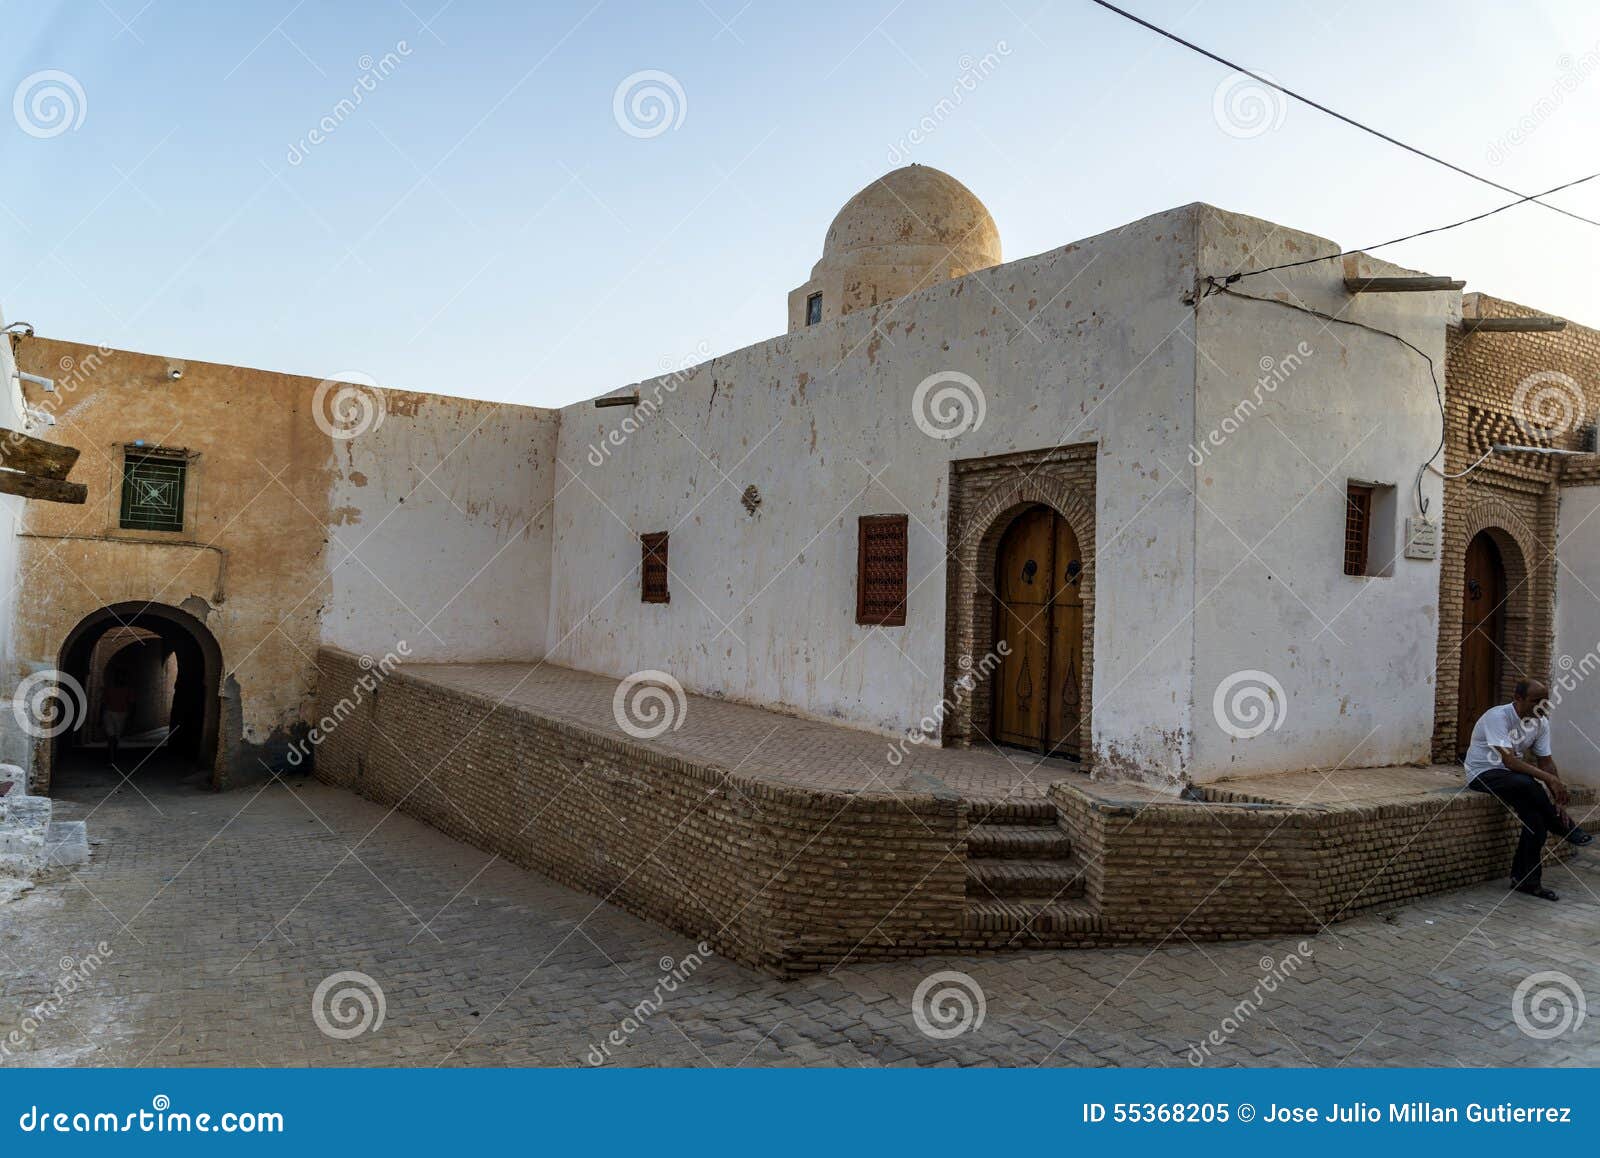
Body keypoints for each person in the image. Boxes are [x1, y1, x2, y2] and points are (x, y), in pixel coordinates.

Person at [1464, 679, 1592, 901]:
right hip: (1483, 774)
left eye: (1545, 701)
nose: (1541, 706)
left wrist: (1558, 795)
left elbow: (1546, 762)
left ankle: (1526, 881)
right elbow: (1509, 762)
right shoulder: (1498, 717)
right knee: (1526, 783)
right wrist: (1548, 780)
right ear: (1518, 699)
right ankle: (1563, 827)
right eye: (1535, 701)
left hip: (1512, 779)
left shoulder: (1541, 723)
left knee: (1536, 823)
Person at [101, 668, 135, 767]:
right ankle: (112, 758)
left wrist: (130, 717)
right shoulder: (112, 688)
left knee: (114, 738)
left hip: (120, 714)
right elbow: (103, 703)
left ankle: (112, 756)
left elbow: (132, 703)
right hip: (110, 714)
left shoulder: (127, 689)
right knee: (111, 737)